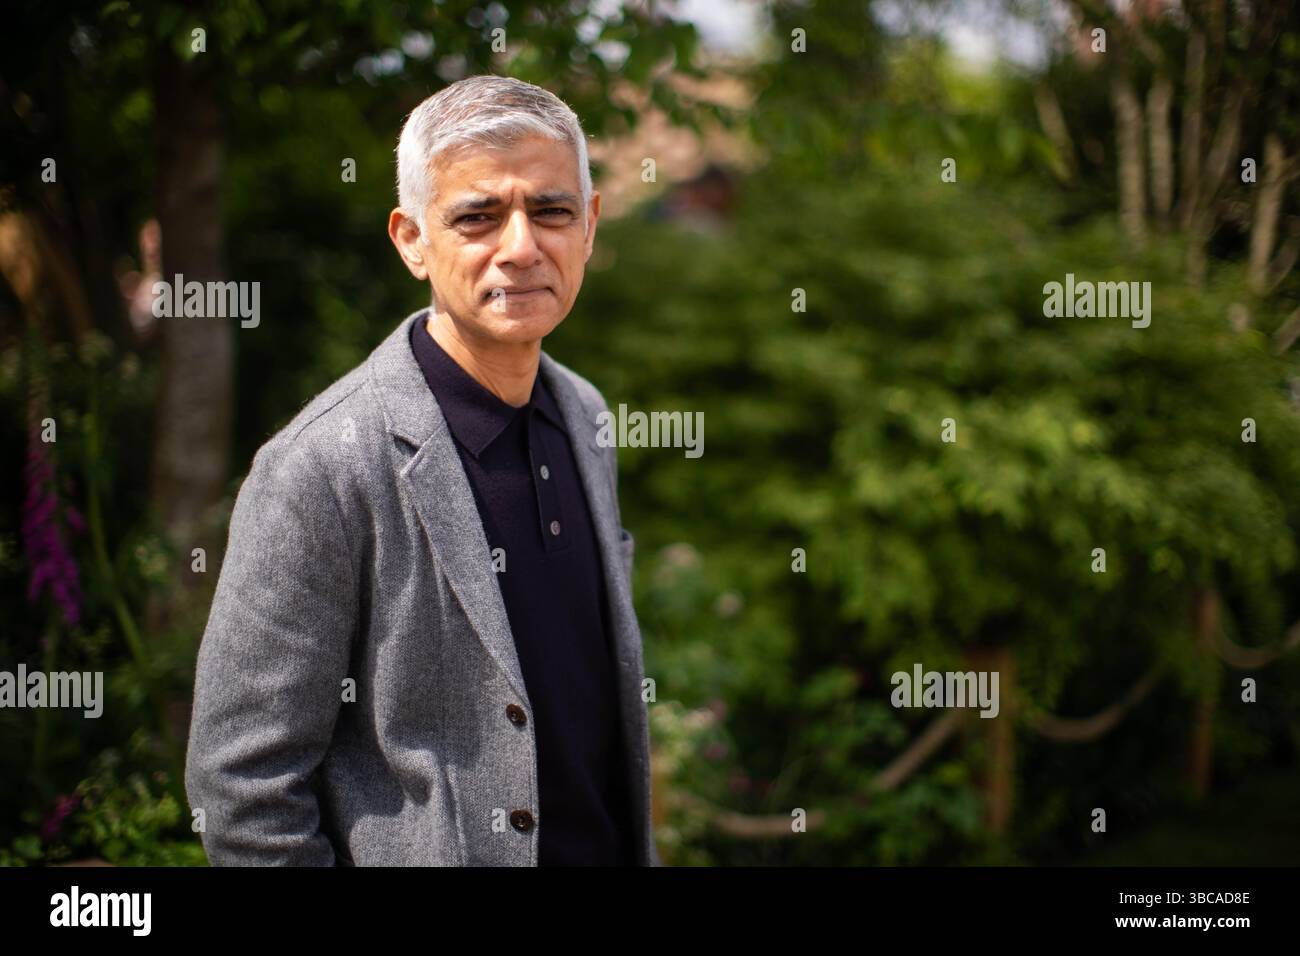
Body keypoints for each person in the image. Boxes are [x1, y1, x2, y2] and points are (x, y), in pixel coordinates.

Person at [184, 74, 659, 866]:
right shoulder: (320, 468)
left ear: (591, 224)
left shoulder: (585, 415)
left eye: (551, 210)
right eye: (477, 216)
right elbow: (242, 793)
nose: (521, 245)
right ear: (411, 240)